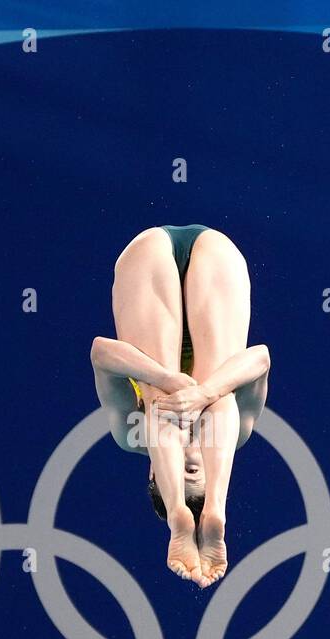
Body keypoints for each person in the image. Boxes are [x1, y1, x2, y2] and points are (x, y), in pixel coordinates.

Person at [90, 224, 270, 587]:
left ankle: (179, 517)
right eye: (195, 473)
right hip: (217, 253)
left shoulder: (131, 435)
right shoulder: (235, 433)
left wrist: (165, 379)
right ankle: (216, 510)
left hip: (147, 253)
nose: (191, 459)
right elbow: (260, 358)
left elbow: (101, 352)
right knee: (219, 396)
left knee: (160, 401)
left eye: (181, 474)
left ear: (153, 471)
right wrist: (205, 393)